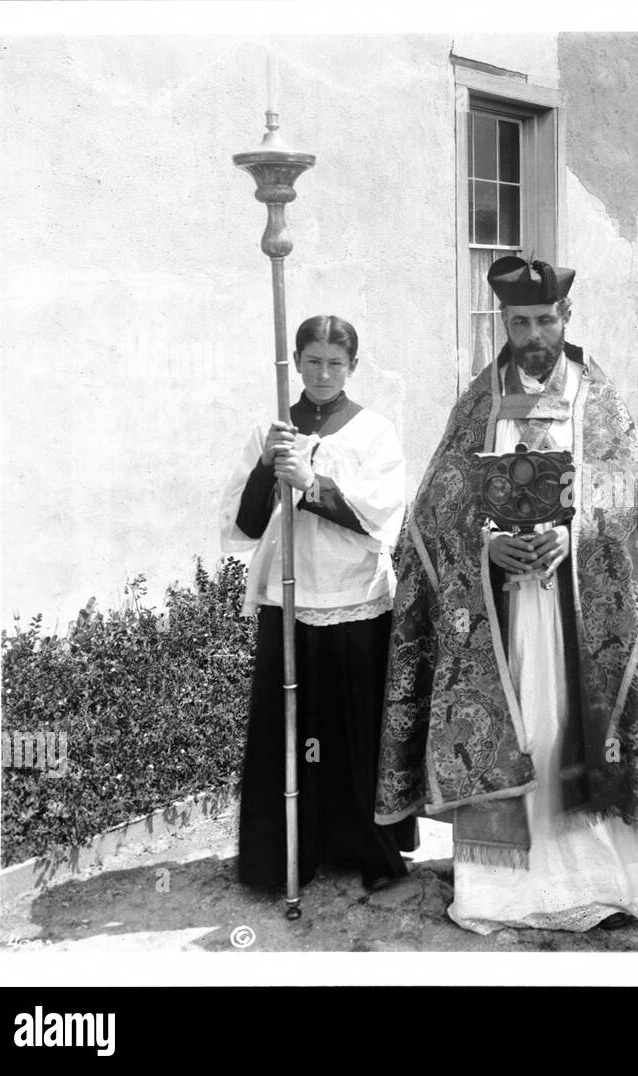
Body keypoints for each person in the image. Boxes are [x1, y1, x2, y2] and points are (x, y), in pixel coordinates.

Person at [375, 257, 638, 934]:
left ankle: (594, 879)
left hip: (575, 609)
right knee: (517, 725)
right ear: (504, 321)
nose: (533, 332)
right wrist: (485, 547)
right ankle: (499, 891)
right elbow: (436, 509)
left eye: (545, 319)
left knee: (571, 727)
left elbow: (635, 497)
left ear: (566, 318)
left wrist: (576, 538)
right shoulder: (479, 402)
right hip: (502, 611)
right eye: (520, 320)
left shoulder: (599, 397)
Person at [220, 314, 417, 893]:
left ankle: (369, 852)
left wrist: (311, 481)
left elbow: (381, 517)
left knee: (354, 730)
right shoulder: (272, 430)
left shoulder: (375, 431)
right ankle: (289, 854)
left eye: (336, 363)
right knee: (296, 732)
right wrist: (268, 467)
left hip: (355, 599)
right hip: (291, 599)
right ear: (296, 362)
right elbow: (248, 524)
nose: (323, 373)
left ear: (353, 367)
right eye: (312, 361)